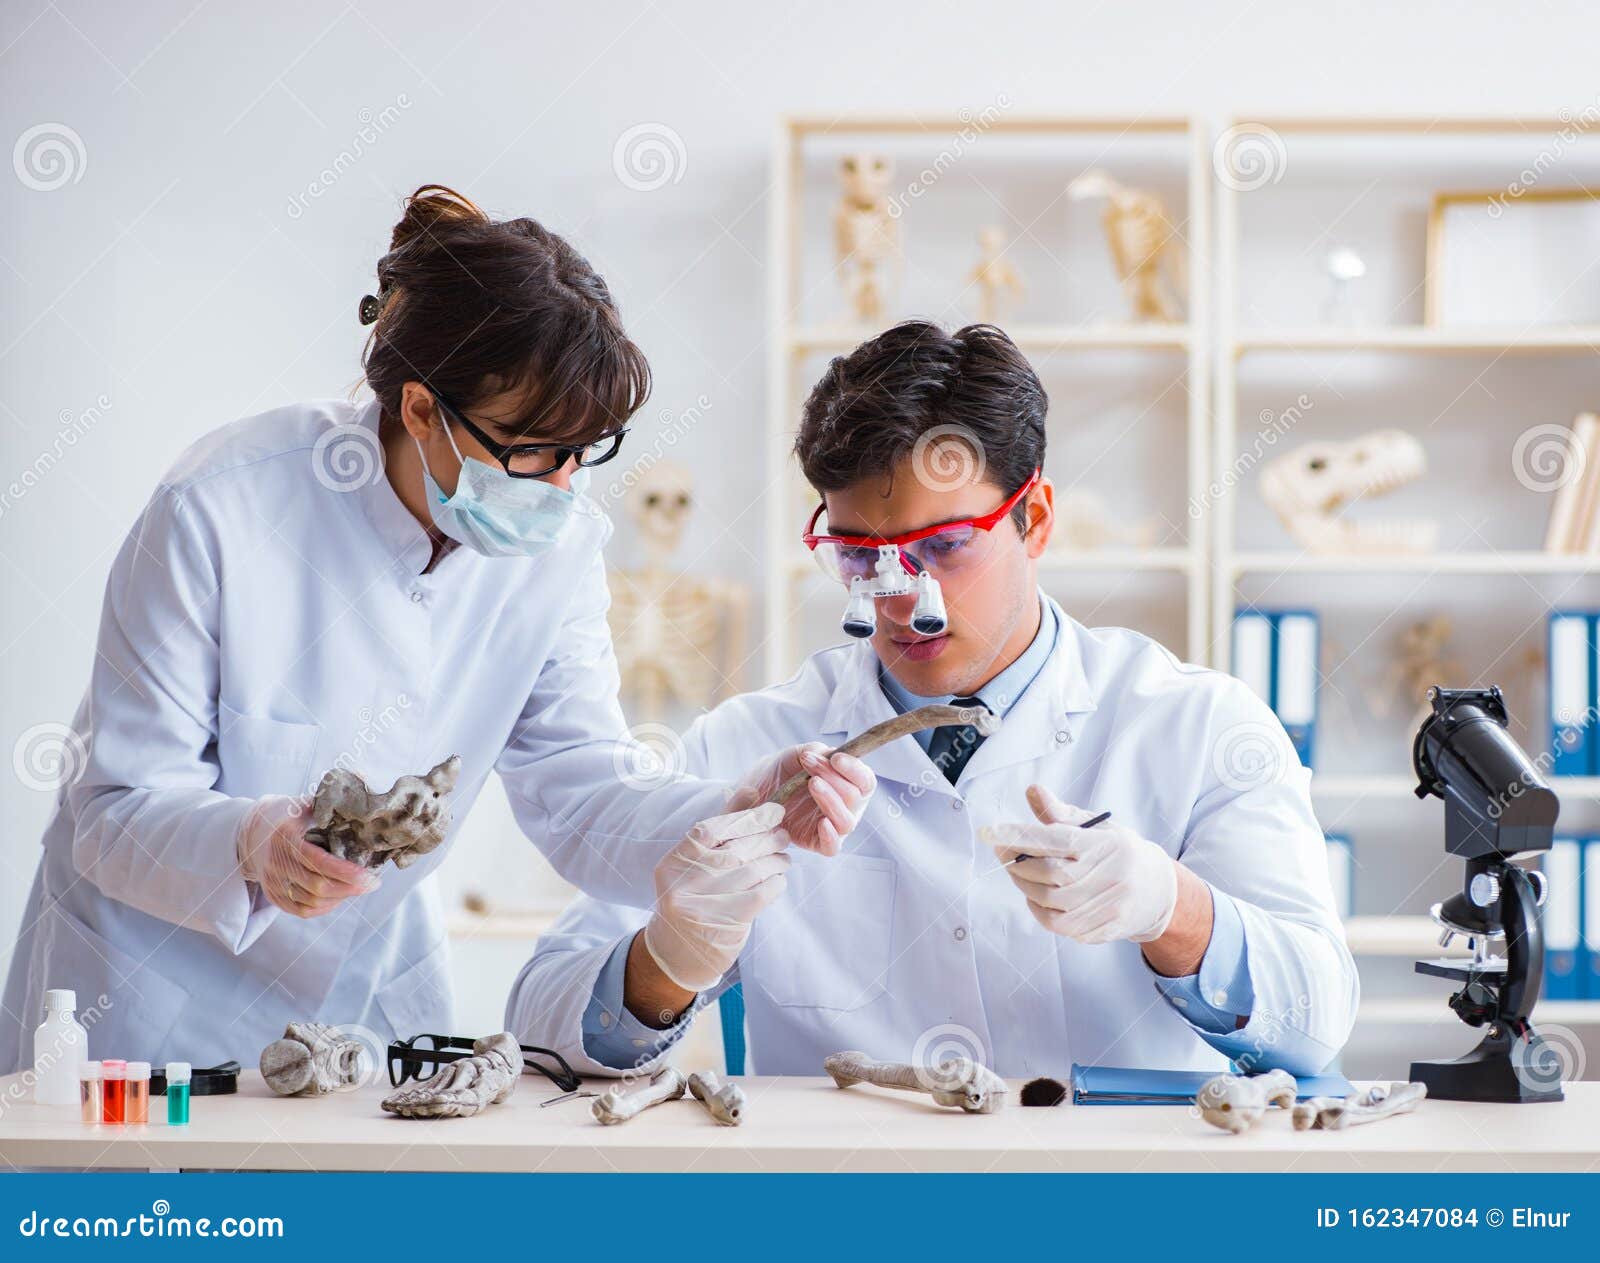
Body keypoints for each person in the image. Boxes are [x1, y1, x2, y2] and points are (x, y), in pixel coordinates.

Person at [0, 186, 871, 1074]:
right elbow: (109, 814)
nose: (563, 489)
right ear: (420, 409)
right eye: (530, 450)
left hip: (361, 1001)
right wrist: (253, 845)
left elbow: (581, 793)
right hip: (147, 1006)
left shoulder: (560, 550)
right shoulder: (221, 508)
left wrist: (733, 807)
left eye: (585, 452)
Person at [507, 321, 1358, 1079]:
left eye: (945, 546)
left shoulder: (1198, 728)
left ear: (1038, 520)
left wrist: (1175, 910)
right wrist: (668, 959)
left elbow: (1318, 1024)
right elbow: (536, 1017)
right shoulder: (755, 745)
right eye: (858, 555)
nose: (901, 598)